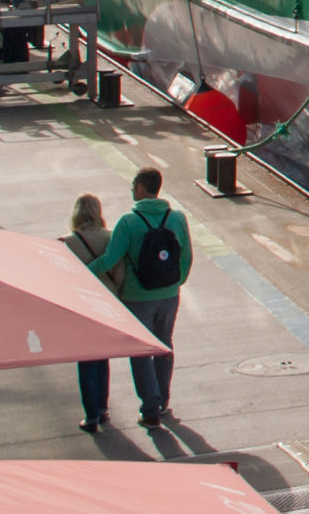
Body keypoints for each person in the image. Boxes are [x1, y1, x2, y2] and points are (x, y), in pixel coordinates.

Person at [89, 167, 191, 426]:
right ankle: (163, 401)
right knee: (164, 344)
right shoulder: (177, 218)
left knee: (141, 351)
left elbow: (111, 259)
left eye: (134, 185)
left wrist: (82, 272)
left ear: (143, 188)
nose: (132, 189)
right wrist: (177, 281)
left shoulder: (128, 222)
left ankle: (150, 408)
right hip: (169, 295)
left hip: (138, 297)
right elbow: (187, 256)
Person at [62, 193, 122, 432]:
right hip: (107, 304)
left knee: (86, 360)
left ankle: (91, 415)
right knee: (102, 358)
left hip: (82, 305)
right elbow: (120, 274)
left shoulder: (66, 242)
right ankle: (103, 408)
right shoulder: (111, 238)